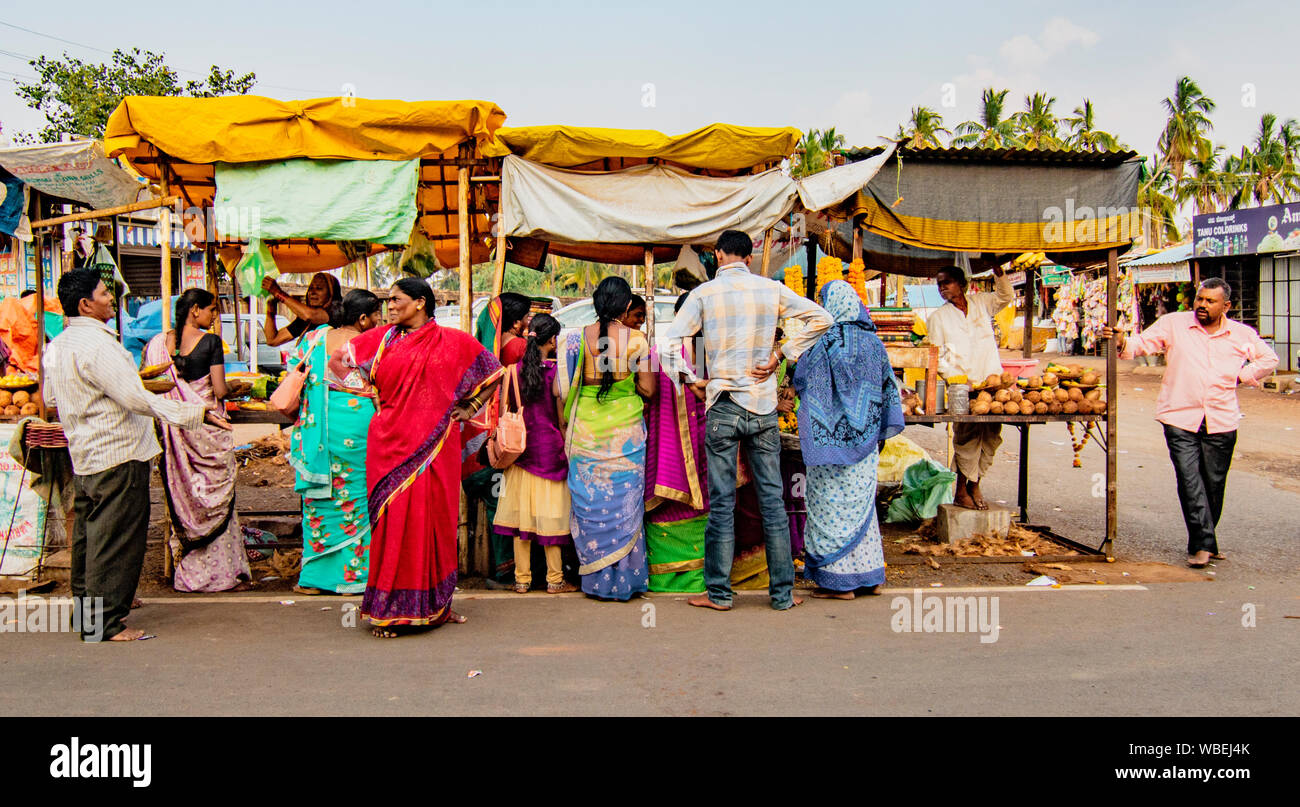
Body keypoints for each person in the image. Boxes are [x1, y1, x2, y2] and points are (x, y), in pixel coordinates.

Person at [43, 269, 228, 641]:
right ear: (85, 305)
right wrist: (193, 413)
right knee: (116, 539)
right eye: (103, 294)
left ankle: (87, 613)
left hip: (86, 454)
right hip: (118, 454)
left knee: (90, 536)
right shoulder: (100, 346)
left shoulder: (58, 346)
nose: (111, 299)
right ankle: (106, 623)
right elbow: (133, 398)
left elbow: (50, 399)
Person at [662, 229, 832, 611]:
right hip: (762, 408)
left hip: (722, 404)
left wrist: (692, 381)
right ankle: (783, 595)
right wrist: (781, 354)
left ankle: (719, 594)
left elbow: (669, 343)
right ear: (749, 258)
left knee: (722, 503)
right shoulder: (770, 290)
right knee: (773, 501)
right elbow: (821, 318)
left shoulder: (705, 294)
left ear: (719, 256)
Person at [335, 278, 504, 636]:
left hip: (435, 448)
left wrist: (469, 406)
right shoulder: (379, 340)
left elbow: (494, 372)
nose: (391, 305)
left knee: (434, 524)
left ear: (421, 303)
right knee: (393, 526)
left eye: (397, 299)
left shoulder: (453, 342)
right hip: (389, 446)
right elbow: (339, 362)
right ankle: (390, 610)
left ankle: (436, 606)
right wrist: (370, 393)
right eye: (390, 300)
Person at [1104, 278, 1277, 568]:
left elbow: (1269, 359)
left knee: (1213, 484)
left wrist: (1242, 376)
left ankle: (1205, 540)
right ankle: (1202, 546)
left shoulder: (1240, 334)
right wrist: (1122, 340)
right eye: (1200, 299)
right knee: (1189, 480)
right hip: (1178, 416)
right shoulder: (1174, 324)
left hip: (1221, 420)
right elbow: (1141, 344)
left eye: (1210, 301)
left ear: (1226, 306)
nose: (1202, 305)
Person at [793, 280, 905, 599]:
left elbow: (802, 379)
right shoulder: (873, 344)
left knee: (829, 508)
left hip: (828, 445)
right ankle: (870, 578)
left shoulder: (822, 342)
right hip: (866, 443)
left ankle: (837, 584)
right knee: (861, 511)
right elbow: (888, 389)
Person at [144, 289, 252, 593]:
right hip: (207, 429)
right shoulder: (211, 342)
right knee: (218, 504)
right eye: (211, 309)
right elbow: (218, 391)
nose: (214, 315)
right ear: (195, 310)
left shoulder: (159, 344)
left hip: (177, 432)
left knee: (186, 500)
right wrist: (236, 385)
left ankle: (189, 572)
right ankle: (222, 574)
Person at [558, 276, 656, 601]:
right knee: (624, 506)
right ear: (626, 305)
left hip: (585, 432)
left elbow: (560, 391)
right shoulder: (639, 340)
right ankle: (625, 581)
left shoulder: (572, 339)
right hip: (626, 434)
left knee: (591, 501)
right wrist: (628, 387)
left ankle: (595, 581)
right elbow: (649, 389)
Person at [287, 289, 383, 595]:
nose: (380, 321)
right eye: (377, 316)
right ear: (363, 318)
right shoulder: (367, 344)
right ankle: (355, 577)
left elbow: (294, 370)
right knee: (356, 498)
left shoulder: (313, 338)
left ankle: (315, 578)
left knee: (319, 502)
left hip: (316, 432)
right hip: (356, 429)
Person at [492, 313, 578, 594]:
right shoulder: (556, 373)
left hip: (519, 453)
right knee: (551, 517)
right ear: (552, 340)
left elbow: (505, 410)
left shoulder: (512, 372)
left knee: (520, 521)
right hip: (549, 451)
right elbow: (561, 418)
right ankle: (555, 580)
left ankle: (522, 580)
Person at [925, 264, 1012, 510]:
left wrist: (999, 272)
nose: (942, 288)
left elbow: (1006, 296)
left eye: (947, 283)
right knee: (967, 438)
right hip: (963, 387)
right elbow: (938, 356)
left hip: (992, 383)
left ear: (961, 284)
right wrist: (960, 380)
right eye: (939, 284)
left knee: (991, 437)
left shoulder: (982, 303)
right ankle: (961, 490)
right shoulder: (938, 318)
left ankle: (975, 483)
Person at [465, 291, 534, 586]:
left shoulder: (482, 351)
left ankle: (505, 568)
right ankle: (508, 569)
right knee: (504, 501)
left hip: (478, 438)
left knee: (497, 499)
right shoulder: (518, 346)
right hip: (506, 435)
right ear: (517, 322)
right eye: (526, 316)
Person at [643, 292, 710, 593]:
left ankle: (681, 579)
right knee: (687, 503)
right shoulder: (695, 350)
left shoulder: (660, 351)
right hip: (682, 443)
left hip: (682, 447)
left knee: (695, 505)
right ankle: (684, 579)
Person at [262, 273, 342, 347]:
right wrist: (271, 308)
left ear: (331, 294)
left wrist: (278, 293)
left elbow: (309, 315)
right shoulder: (305, 321)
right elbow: (273, 340)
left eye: (319, 288)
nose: (313, 292)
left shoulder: (335, 313)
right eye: (310, 288)